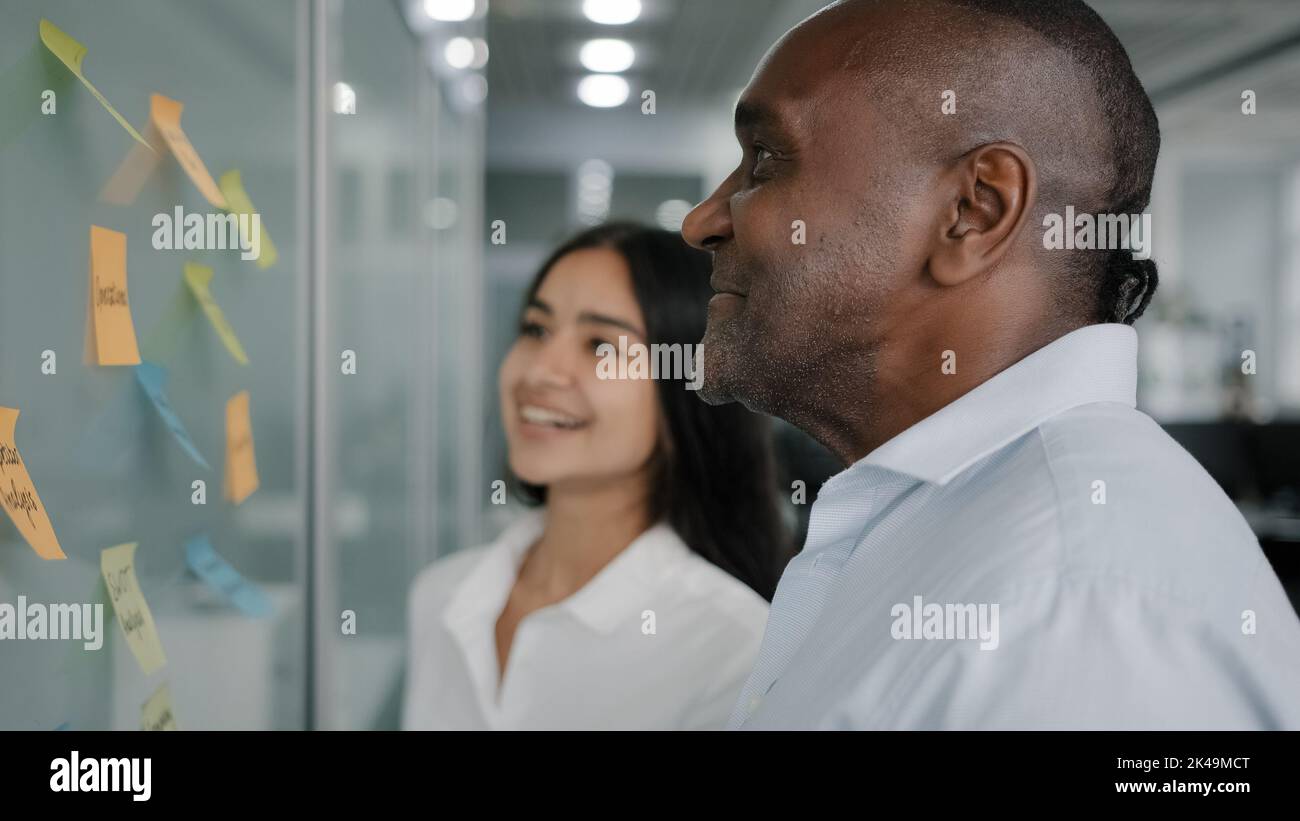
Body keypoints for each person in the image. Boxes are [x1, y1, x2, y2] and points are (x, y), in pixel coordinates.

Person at [681, 0, 1300, 729]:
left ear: (974, 212)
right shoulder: (965, 539)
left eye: (765, 159)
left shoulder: (1078, 608)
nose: (702, 221)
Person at [403, 223, 788, 730]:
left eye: (600, 346)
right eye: (536, 329)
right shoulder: (442, 596)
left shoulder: (732, 650)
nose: (540, 371)